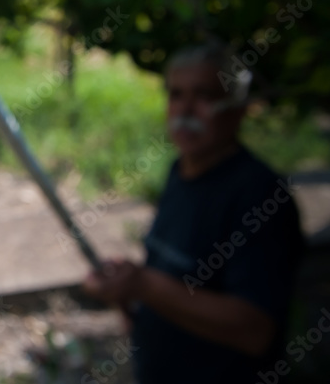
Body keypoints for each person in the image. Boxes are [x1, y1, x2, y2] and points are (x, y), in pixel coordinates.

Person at [82, 42, 306, 383]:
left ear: (238, 108)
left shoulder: (260, 196)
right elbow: (174, 276)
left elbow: (255, 330)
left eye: (204, 96)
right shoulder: (181, 172)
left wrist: (145, 286)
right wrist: (129, 294)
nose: (185, 110)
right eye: (176, 95)